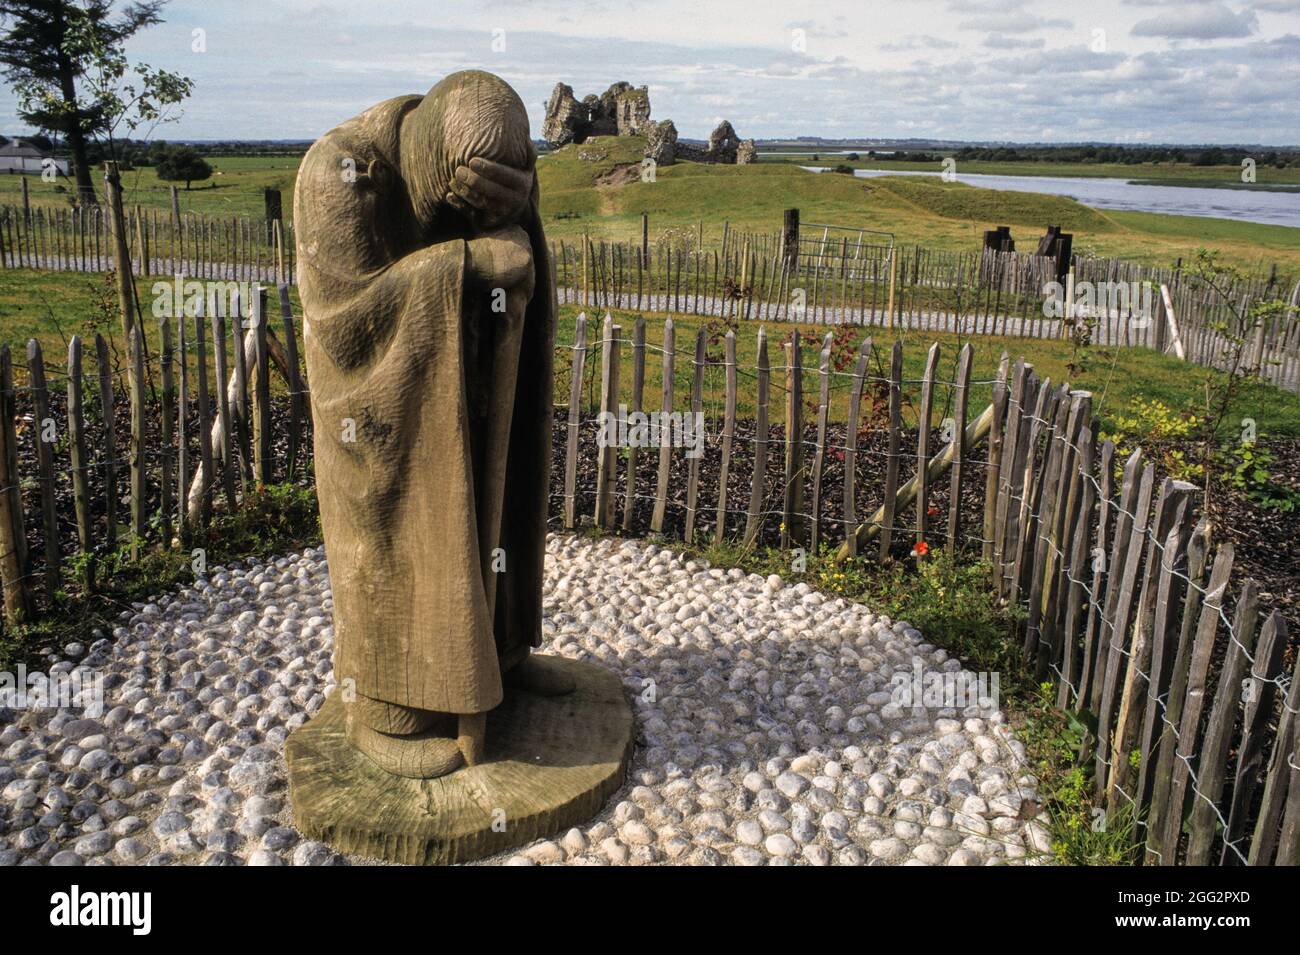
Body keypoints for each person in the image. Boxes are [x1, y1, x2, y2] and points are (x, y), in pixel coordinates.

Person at [294, 70, 567, 779]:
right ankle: (389, 707)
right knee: (391, 531)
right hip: (375, 415)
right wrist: (470, 262)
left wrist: (517, 251)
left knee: (490, 501)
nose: (480, 220)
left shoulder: (491, 167)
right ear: (434, 165)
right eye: (468, 207)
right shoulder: (339, 176)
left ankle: (499, 656)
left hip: (465, 369)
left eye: (497, 206)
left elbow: (515, 246)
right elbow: (348, 327)